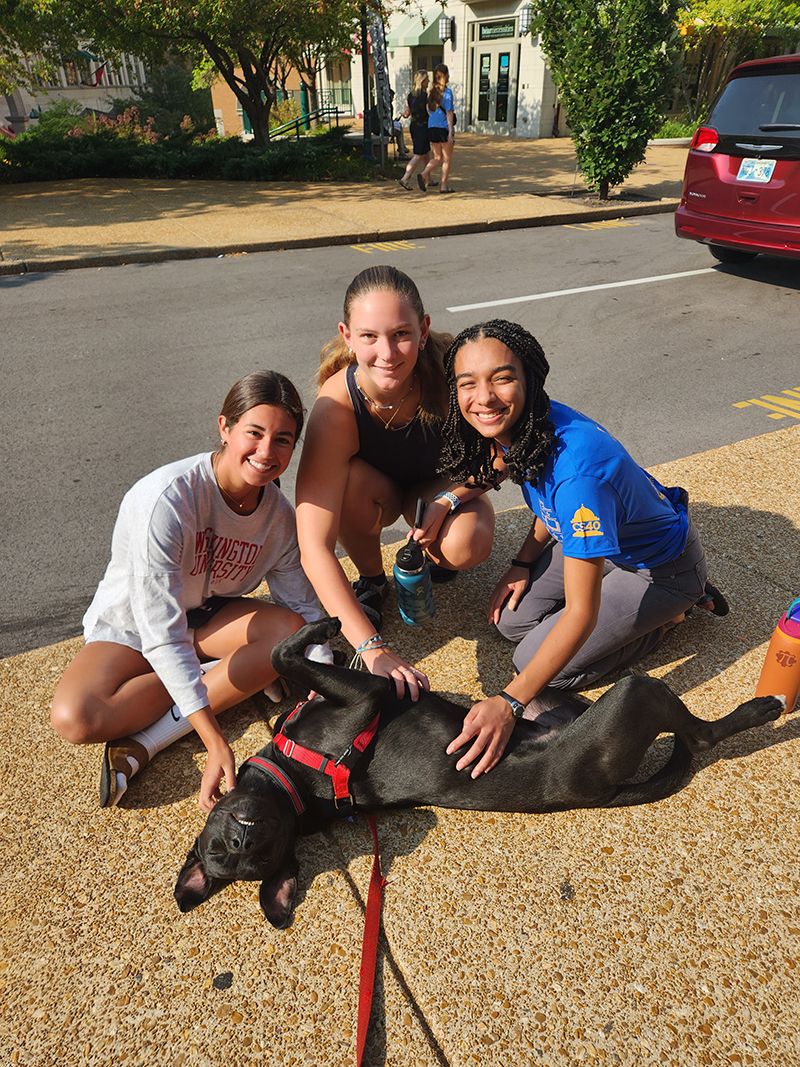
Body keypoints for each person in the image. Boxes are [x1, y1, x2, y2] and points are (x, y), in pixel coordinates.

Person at [438, 319, 728, 778]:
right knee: (511, 622)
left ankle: (677, 611)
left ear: (529, 379)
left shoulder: (578, 478)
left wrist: (510, 702)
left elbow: (581, 613)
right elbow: (543, 493)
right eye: (467, 383)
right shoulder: (533, 425)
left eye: (502, 378)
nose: (484, 397)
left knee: (533, 666)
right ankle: (631, 601)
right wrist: (520, 562)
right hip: (606, 546)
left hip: (663, 570)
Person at [51, 371, 328, 812]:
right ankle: (225, 674)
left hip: (207, 621)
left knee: (289, 633)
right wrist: (215, 740)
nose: (266, 451)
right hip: (137, 624)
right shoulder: (166, 500)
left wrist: (324, 676)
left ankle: (149, 740)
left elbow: (302, 606)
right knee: (76, 717)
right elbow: (161, 631)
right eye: (254, 433)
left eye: (283, 440)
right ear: (225, 427)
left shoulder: (278, 517)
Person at [295, 265, 495, 698]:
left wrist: (450, 499)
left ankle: (437, 558)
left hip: (436, 485)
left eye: (401, 334)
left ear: (423, 330)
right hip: (373, 493)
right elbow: (313, 546)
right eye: (369, 336)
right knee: (343, 486)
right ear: (347, 336)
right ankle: (372, 580)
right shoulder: (336, 407)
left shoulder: (452, 371)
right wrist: (372, 649)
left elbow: (507, 451)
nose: (386, 353)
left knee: (467, 544)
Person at [419, 64, 455, 193]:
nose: (449, 76)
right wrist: (450, 131)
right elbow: (449, 112)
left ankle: (424, 173)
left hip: (432, 127)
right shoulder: (447, 92)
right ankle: (444, 186)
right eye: (447, 74)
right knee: (446, 159)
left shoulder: (431, 92)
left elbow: (428, 109)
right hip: (443, 127)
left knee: (437, 157)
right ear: (444, 76)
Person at [398, 70, 435, 191]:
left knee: (426, 154)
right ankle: (405, 178)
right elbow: (429, 112)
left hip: (414, 126)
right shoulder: (425, 96)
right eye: (427, 79)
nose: (429, 81)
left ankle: (429, 179)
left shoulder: (410, 95)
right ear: (422, 81)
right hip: (423, 127)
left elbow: (407, 113)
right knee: (418, 155)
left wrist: (401, 114)